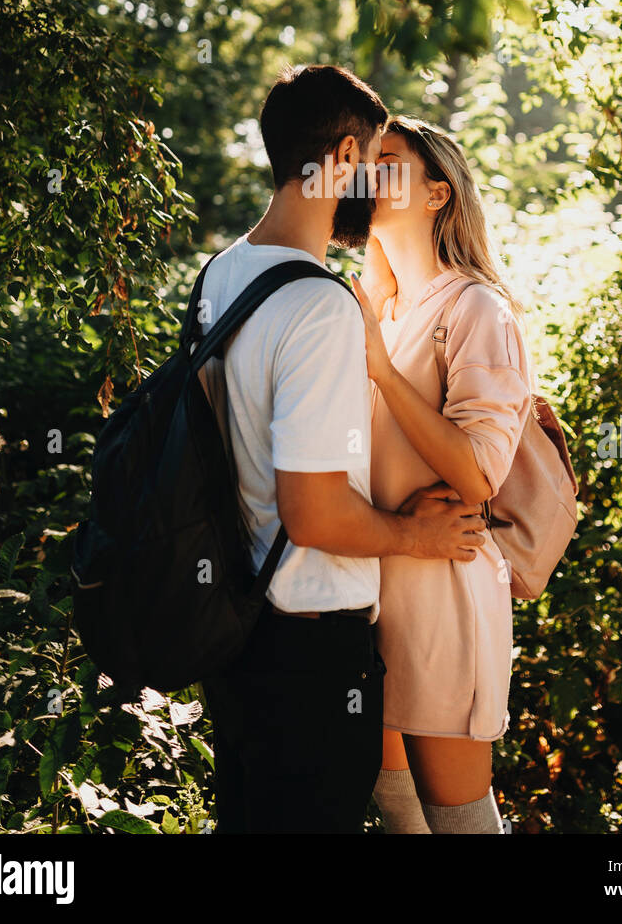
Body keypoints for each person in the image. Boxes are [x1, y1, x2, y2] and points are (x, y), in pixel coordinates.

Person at [199, 67, 487, 835]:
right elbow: (316, 512)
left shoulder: (222, 275)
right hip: (310, 638)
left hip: (234, 622)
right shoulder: (319, 306)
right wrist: (418, 535)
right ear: (348, 156)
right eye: (376, 162)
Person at [350, 115, 533, 834]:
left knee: (457, 820)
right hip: (369, 586)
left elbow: (481, 473)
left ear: (438, 194)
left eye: (388, 161)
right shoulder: (381, 308)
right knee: (398, 814)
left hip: (444, 595)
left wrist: (382, 372)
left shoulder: (475, 307)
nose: (367, 174)